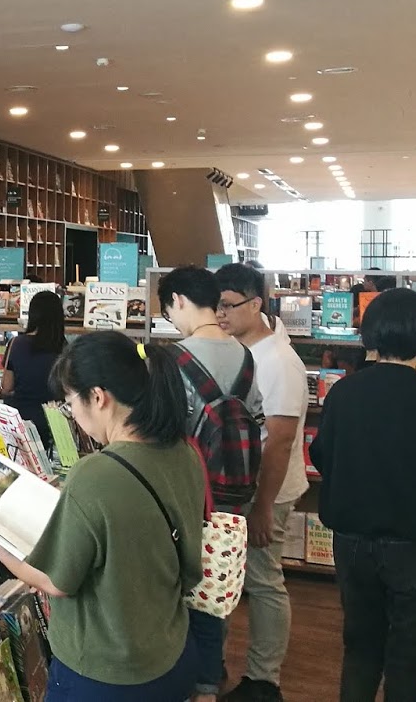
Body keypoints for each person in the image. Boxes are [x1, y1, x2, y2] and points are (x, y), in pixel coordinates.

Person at [0, 331, 204, 700]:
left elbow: (58, 581)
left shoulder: (96, 473)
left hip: (106, 672)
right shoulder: (182, 453)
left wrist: (0, 547)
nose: (71, 412)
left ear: (98, 397)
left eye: (70, 401)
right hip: (171, 650)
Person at [311, 288, 416, 702]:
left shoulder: (343, 394)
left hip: (351, 544)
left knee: (360, 649)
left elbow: (322, 456)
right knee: (410, 657)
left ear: (370, 333)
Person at [158, 264, 263, 702]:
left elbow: (159, 431)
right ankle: (211, 675)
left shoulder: (171, 358)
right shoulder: (246, 355)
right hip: (233, 493)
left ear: (180, 300)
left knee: (180, 586)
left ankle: (193, 683)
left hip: (184, 491)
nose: (171, 320)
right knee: (215, 584)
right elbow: (256, 420)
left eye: (169, 310)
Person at [215, 263, 309, 702]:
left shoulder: (279, 362)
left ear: (256, 304)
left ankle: (263, 680)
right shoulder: (243, 353)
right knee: (229, 579)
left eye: (229, 305)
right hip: (238, 491)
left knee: (264, 582)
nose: (221, 314)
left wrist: (263, 506)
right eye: (216, 305)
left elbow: (282, 440)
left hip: (264, 493)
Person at [1, 290, 65, 447]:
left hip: (19, 422)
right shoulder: (64, 348)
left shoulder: (16, 343)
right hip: (53, 423)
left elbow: (6, 387)